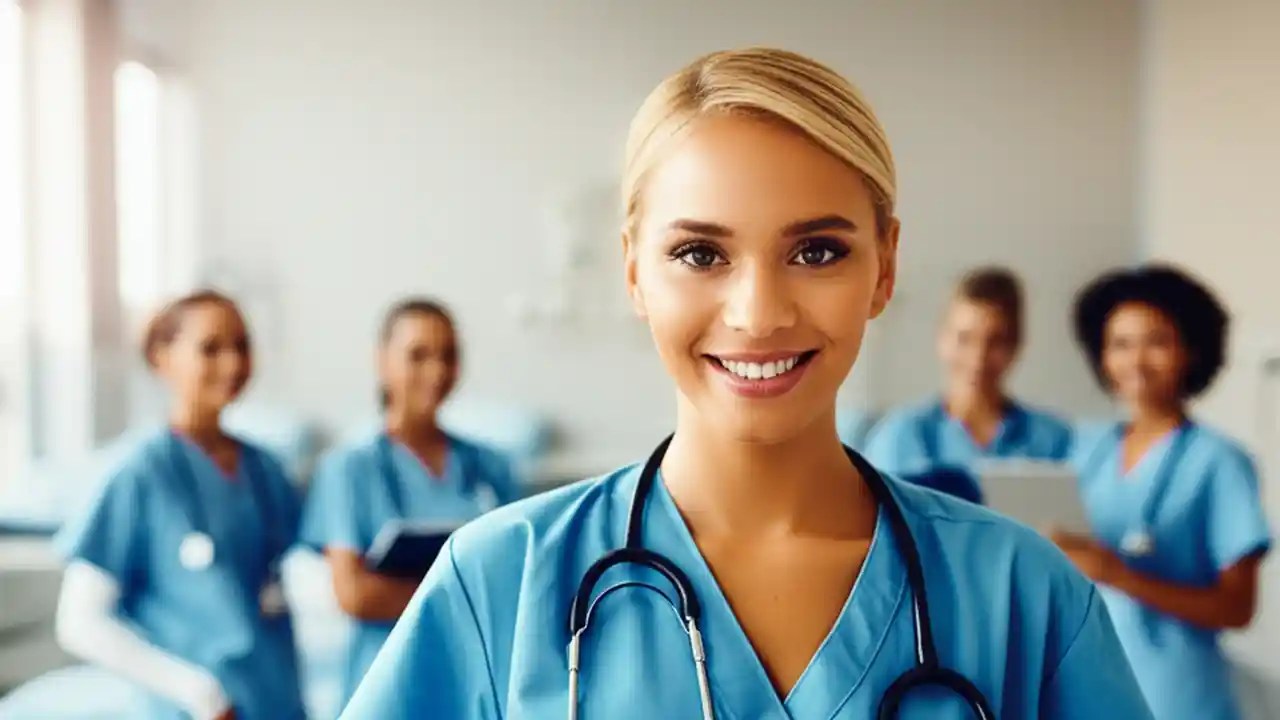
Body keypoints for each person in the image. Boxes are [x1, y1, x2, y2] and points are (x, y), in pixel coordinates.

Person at [339, 47, 1152, 718]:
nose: (759, 313)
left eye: (817, 252)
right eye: (700, 254)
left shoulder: (1023, 597)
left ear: (885, 266)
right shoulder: (497, 585)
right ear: (633, 270)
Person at [54, 291, 305, 720]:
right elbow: (79, 622)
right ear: (161, 357)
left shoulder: (266, 470)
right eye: (211, 348)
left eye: (242, 346)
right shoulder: (140, 474)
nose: (232, 363)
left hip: (273, 700)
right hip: (193, 710)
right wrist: (197, 692)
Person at [1055, 265, 1271, 720]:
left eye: (1157, 342)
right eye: (1121, 344)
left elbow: (1237, 607)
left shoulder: (1220, 462)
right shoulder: (1084, 451)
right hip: (1089, 688)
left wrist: (1121, 575)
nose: (1136, 361)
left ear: (1190, 351)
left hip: (1179, 696)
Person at [300, 297, 521, 711]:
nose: (436, 372)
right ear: (382, 361)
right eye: (418, 355)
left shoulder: (490, 466)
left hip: (473, 677)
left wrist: (406, 591)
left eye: (448, 356)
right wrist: (465, 594)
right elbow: (355, 595)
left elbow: (513, 578)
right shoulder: (350, 469)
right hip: (385, 683)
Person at [864, 267, 1072, 501]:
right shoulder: (901, 435)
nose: (978, 358)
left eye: (996, 341)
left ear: (1017, 344)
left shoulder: (1054, 440)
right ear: (942, 339)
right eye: (964, 339)